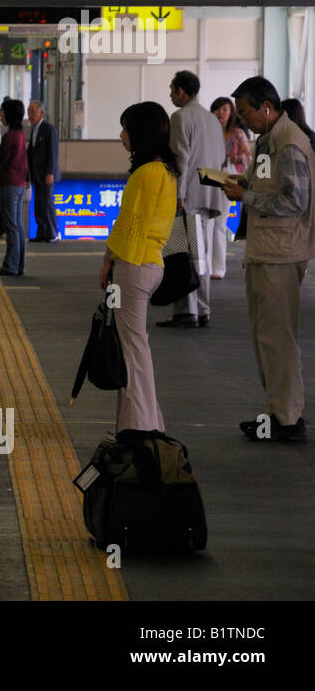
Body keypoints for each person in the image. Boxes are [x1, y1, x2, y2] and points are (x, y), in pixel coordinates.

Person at [222, 77, 315, 441]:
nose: (242, 120)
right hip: (265, 250)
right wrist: (237, 185)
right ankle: (277, 412)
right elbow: (261, 184)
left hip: (281, 253)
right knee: (266, 337)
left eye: (245, 112)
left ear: (266, 106)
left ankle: (288, 419)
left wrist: (246, 198)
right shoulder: (266, 141)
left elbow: (295, 202)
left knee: (279, 337)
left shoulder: (290, 144)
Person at [101, 102, 180, 432]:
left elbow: (128, 226)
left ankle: (140, 429)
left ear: (141, 132)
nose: (122, 136)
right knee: (136, 346)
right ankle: (144, 423)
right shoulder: (165, 170)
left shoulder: (145, 173)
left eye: (126, 128)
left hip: (133, 266)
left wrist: (108, 262)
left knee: (132, 349)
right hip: (152, 263)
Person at [157, 70, 226, 329]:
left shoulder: (180, 117)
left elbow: (181, 159)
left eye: (172, 90)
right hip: (211, 194)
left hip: (190, 198)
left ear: (182, 91)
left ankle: (187, 311)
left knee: (185, 255)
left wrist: (178, 195)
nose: (171, 95)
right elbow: (220, 158)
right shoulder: (212, 119)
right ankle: (203, 309)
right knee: (202, 255)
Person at [209, 97, 252, 280]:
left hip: (229, 175)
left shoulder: (237, 133)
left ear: (231, 112)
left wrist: (237, 158)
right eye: (217, 109)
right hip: (209, 175)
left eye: (224, 109)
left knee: (219, 222)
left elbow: (248, 157)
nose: (220, 113)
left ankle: (218, 268)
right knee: (207, 222)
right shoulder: (208, 132)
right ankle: (205, 265)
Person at [0, 99, 28, 276]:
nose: (0, 114)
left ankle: (10, 266)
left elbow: (0, 162)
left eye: (2, 111)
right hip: (19, 183)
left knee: (11, 226)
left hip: (9, 184)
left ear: (9, 114)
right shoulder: (20, 135)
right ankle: (19, 265)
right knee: (18, 225)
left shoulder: (9, 136)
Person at [26, 101, 60, 242]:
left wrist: (50, 172)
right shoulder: (34, 128)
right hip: (36, 173)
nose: (30, 115)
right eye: (29, 112)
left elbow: (53, 152)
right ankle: (41, 233)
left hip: (47, 174)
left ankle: (52, 233)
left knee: (47, 202)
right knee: (38, 204)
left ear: (42, 113)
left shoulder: (49, 129)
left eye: (33, 112)